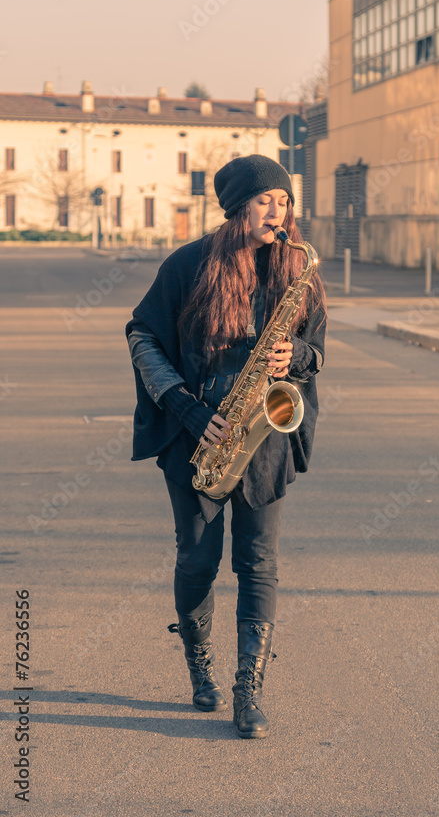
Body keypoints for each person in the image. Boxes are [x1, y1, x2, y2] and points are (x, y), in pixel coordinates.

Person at [125, 154, 326, 739]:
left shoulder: (299, 272)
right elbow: (142, 336)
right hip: (199, 437)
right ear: (237, 208)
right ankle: (201, 668)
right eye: (266, 200)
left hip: (266, 436)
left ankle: (249, 690)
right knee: (197, 561)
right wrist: (188, 409)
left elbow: (316, 350)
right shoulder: (187, 265)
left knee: (259, 564)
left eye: (284, 200)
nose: (278, 212)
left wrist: (301, 359)